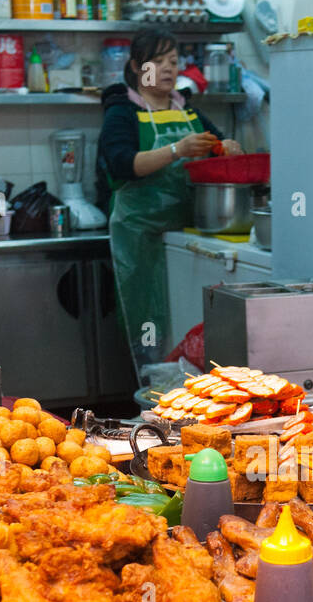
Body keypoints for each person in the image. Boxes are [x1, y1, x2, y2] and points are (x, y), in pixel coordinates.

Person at [97, 28, 242, 383]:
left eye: (173, 62)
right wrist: (177, 150)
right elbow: (121, 163)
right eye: (156, 61)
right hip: (140, 236)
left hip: (186, 235)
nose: (166, 69)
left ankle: (190, 396)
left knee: (186, 315)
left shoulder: (187, 111)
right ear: (136, 66)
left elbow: (219, 145)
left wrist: (229, 147)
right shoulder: (123, 111)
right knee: (148, 317)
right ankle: (152, 393)